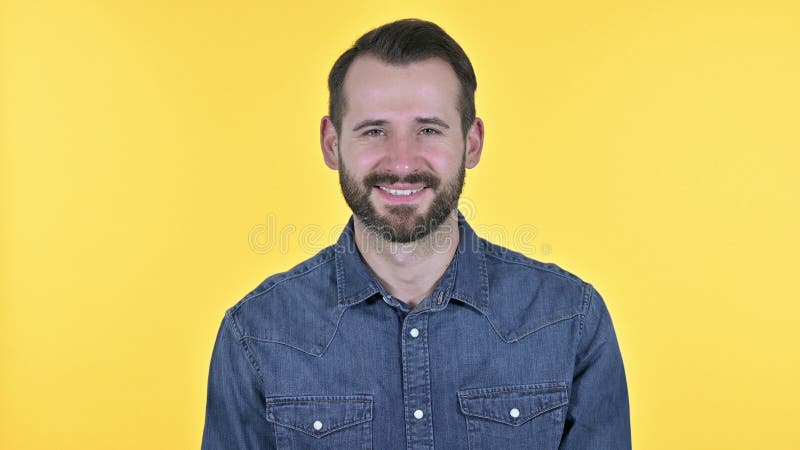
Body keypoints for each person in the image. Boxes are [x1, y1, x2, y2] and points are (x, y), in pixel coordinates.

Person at [201, 18, 631, 449]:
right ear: (332, 144)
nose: (402, 162)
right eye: (374, 130)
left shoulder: (570, 319)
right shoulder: (256, 332)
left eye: (428, 129)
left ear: (472, 142)